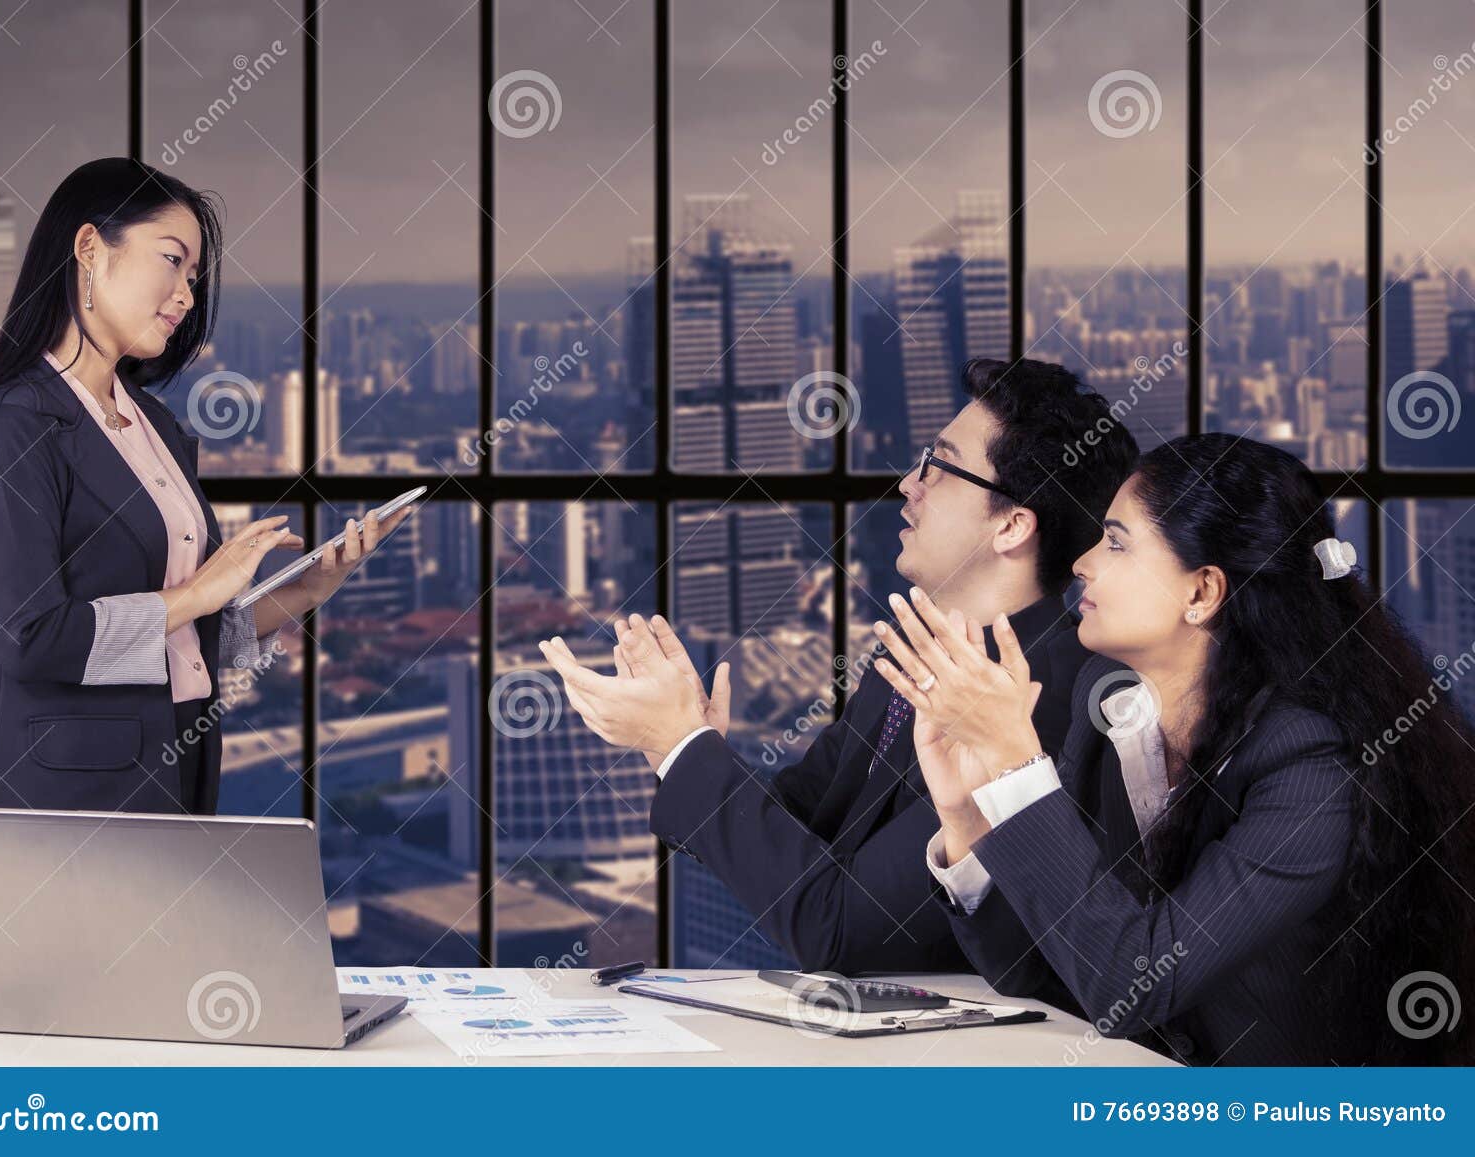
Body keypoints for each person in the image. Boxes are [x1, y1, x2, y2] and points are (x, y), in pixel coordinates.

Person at [876, 433, 1475, 1064]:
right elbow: (1045, 971)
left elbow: (1135, 985)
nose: (1083, 563)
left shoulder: (1313, 762)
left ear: (1201, 593)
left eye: (1115, 542)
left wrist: (1017, 765)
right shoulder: (1110, 709)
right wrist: (966, 819)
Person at [538, 359, 1137, 973]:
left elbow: (842, 930)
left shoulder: (1040, 706)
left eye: (940, 465)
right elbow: (803, 818)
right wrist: (685, 740)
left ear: (1011, 526)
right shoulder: (912, 658)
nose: (910, 484)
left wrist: (681, 747)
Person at [0, 157, 408, 815]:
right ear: (90, 249)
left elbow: (185, 638)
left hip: (178, 767)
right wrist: (198, 590)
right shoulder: (11, 426)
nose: (186, 294)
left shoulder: (155, 425)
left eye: (194, 276)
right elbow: (31, 638)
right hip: (58, 796)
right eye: (173, 260)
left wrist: (309, 587)